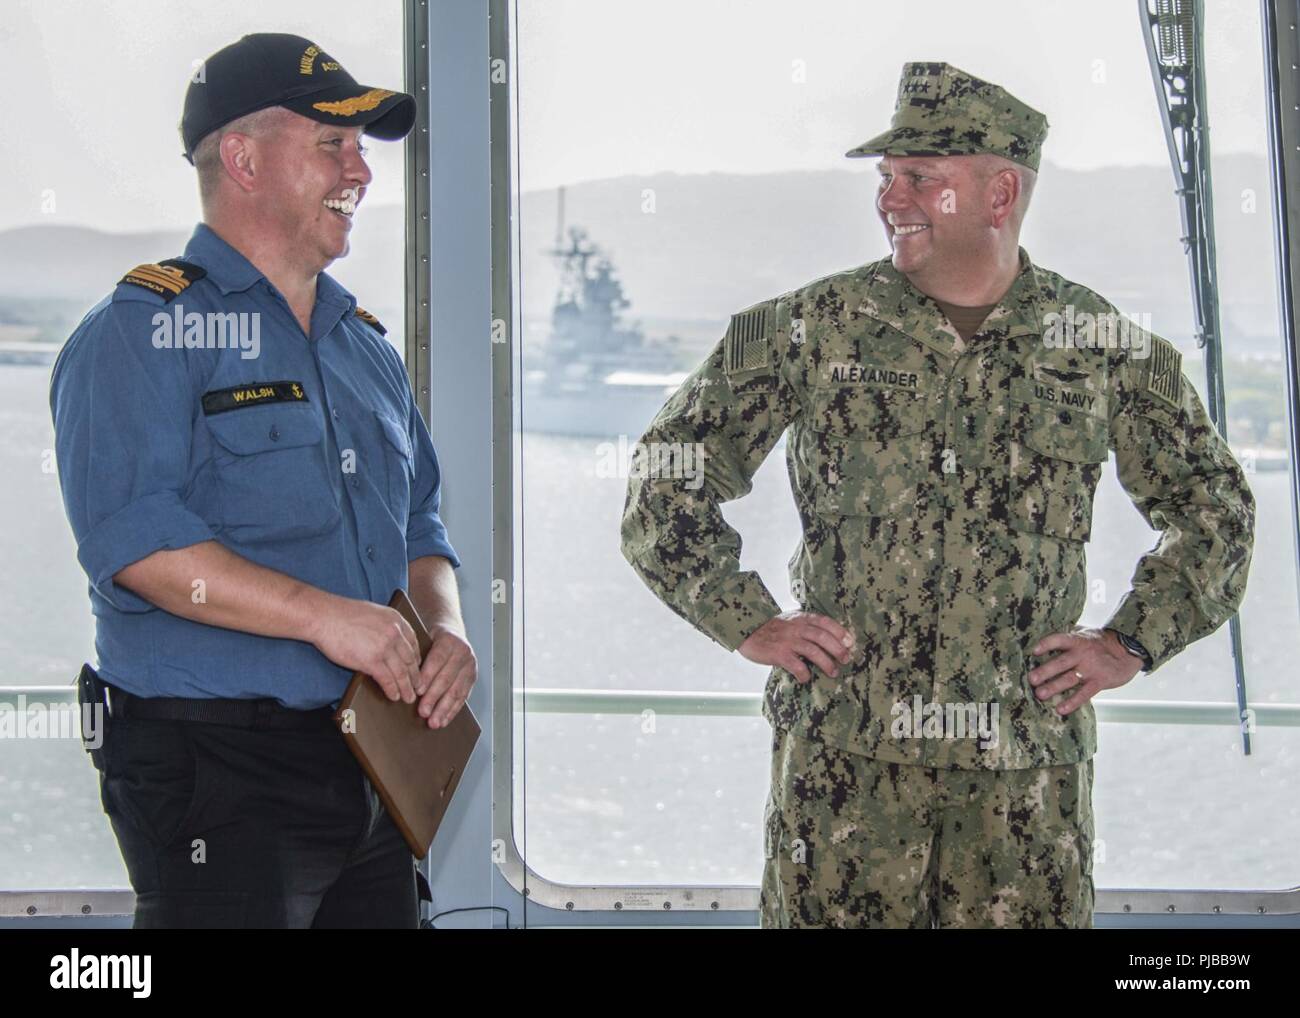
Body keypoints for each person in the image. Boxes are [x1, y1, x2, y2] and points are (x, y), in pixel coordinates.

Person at [620, 61, 1255, 928]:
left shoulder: (1101, 347)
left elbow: (1217, 507)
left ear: (999, 197)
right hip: (847, 779)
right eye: (886, 180)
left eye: (920, 178)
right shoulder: (807, 329)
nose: (891, 198)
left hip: (1023, 791)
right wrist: (748, 620)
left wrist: (1131, 642)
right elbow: (667, 475)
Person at [49, 33, 476, 929]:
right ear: (240, 158)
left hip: (370, 759)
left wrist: (442, 632)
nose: (360, 169)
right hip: (216, 769)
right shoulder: (142, 329)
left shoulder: (364, 347)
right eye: (333, 142)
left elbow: (420, 524)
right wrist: (328, 620)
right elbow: (138, 545)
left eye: (362, 147)